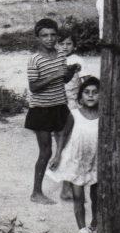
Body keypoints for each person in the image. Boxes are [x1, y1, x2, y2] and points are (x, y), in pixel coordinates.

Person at [26, 18, 80, 205]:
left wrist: (71, 72)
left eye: (52, 35)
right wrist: (54, 75)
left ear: (57, 36)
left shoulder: (60, 55)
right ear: (37, 38)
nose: (49, 39)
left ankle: (65, 189)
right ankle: (36, 192)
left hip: (59, 106)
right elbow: (34, 87)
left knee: (67, 144)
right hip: (41, 109)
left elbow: (63, 81)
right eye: (44, 35)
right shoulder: (35, 59)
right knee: (45, 152)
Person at [48, 77, 101, 233]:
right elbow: (63, 135)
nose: (91, 96)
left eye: (95, 92)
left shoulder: (104, 117)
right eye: (87, 92)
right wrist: (57, 155)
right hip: (76, 160)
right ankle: (83, 232)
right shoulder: (75, 115)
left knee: (97, 196)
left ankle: (94, 224)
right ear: (80, 97)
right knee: (79, 197)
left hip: (96, 161)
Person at [56, 30, 85, 202]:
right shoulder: (55, 60)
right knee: (60, 147)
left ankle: (66, 187)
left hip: (72, 108)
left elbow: (86, 81)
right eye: (62, 44)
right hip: (56, 106)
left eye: (69, 44)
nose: (65, 47)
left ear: (74, 45)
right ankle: (65, 187)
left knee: (69, 146)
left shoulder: (78, 61)